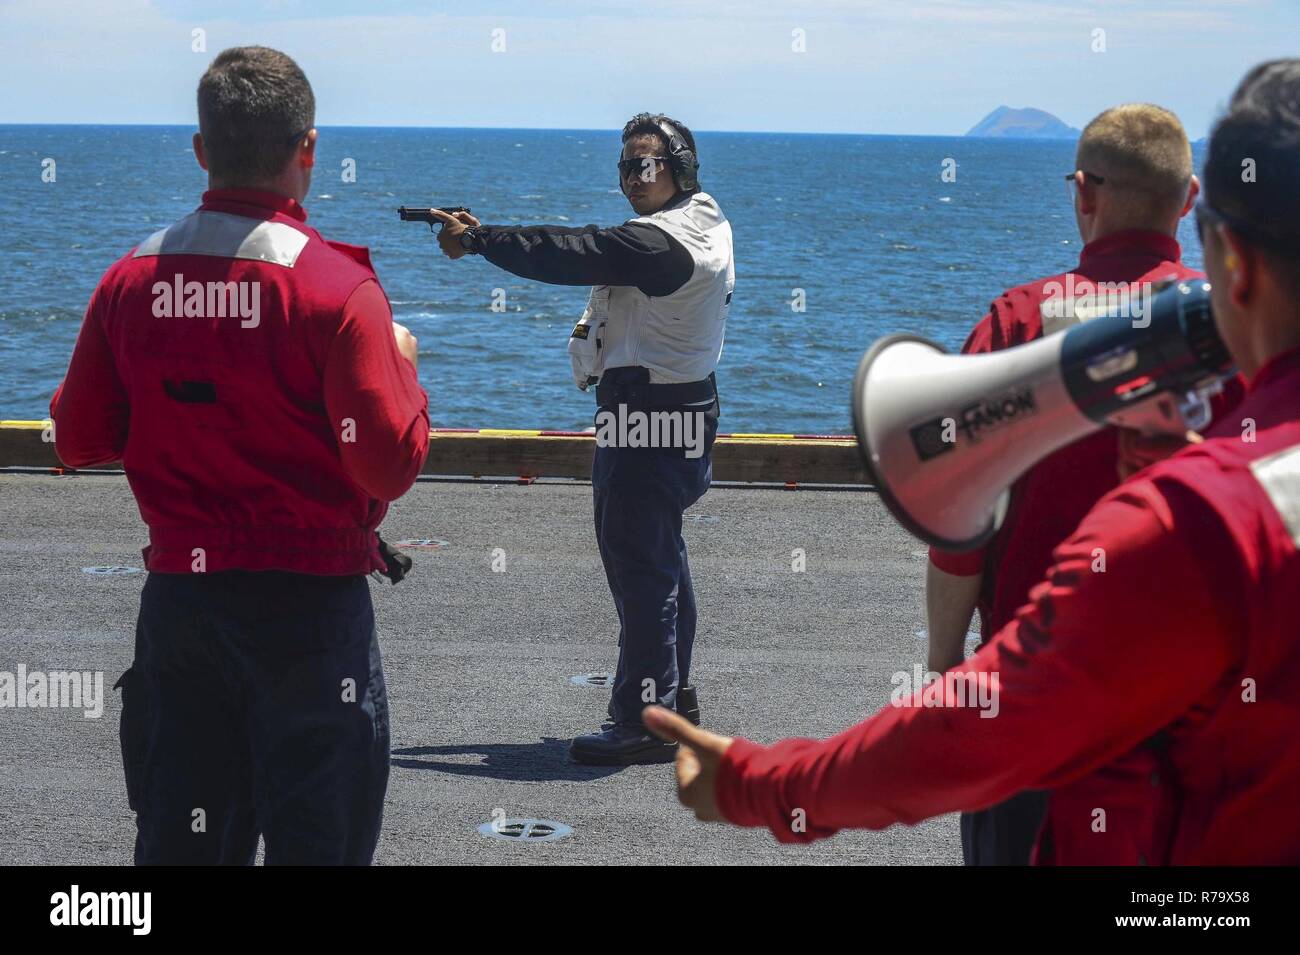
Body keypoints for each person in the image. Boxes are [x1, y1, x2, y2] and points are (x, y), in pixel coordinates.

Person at [646, 59, 1300, 865]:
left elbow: (981, 712)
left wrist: (755, 782)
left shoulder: (1196, 517)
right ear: (1187, 206)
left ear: (1231, 255)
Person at [49, 46, 430, 864]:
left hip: (183, 606)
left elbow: (76, 436)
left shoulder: (130, 279)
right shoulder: (338, 292)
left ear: (200, 150)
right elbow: (389, 466)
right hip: (308, 616)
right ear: (309, 149)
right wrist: (401, 363)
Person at [924, 103, 1235, 865]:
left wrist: (943, 660)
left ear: (1083, 194)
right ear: (1189, 200)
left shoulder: (1015, 322)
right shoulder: (1242, 330)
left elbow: (961, 525)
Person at [431, 113, 734, 765]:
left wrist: (480, 239)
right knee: (661, 556)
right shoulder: (705, 219)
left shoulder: (661, 244)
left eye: (645, 164)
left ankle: (643, 720)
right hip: (684, 406)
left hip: (648, 416)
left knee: (641, 568)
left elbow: (568, 251)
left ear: (678, 168)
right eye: (625, 165)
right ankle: (672, 699)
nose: (631, 177)